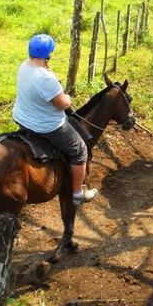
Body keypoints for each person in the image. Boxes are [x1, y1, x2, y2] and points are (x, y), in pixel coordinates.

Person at [13, 34, 98, 207]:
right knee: (79, 149)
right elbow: (62, 104)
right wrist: (68, 96)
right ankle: (77, 193)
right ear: (48, 55)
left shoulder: (24, 66)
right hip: (47, 126)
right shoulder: (46, 78)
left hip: (22, 118)